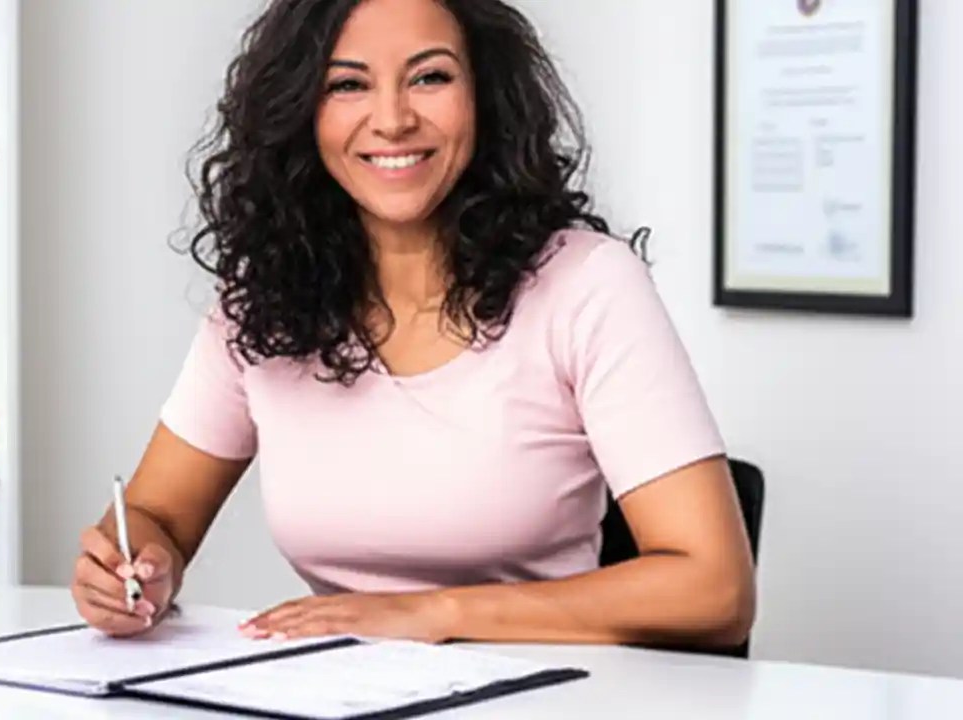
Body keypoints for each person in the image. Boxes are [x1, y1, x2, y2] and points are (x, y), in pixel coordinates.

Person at [71, 0, 756, 650]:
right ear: (300, 112)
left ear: (484, 95)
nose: (393, 119)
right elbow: (156, 518)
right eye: (348, 85)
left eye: (429, 77)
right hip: (336, 695)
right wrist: (134, 569)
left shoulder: (587, 285)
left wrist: (434, 614)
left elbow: (717, 589)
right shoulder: (264, 303)